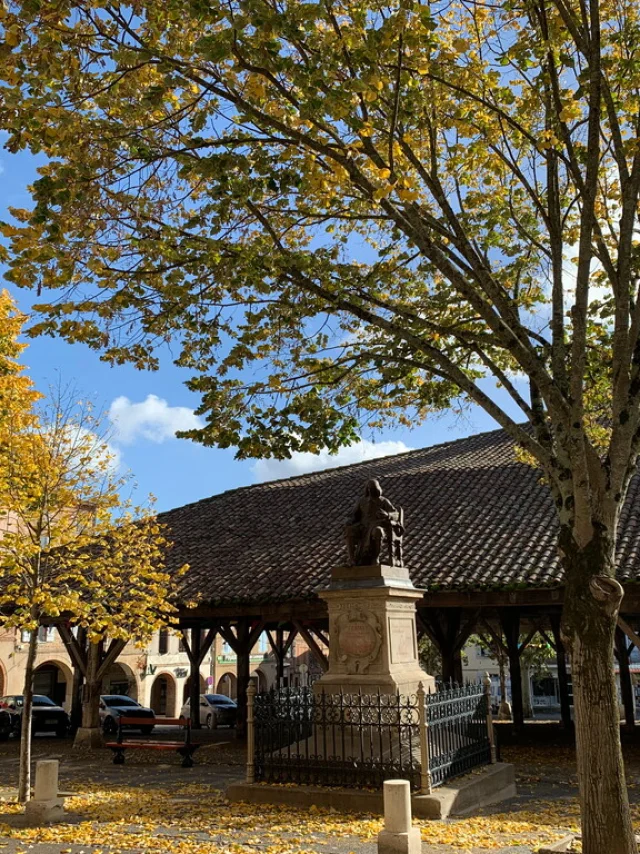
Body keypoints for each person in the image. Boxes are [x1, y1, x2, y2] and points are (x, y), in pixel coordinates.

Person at [345, 479, 404, 566]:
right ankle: (352, 559)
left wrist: (387, 515)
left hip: (377, 525)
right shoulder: (361, 501)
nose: (370, 491)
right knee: (349, 530)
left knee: (378, 531)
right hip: (363, 527)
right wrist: (350, 520)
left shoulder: (383, 501)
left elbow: (395, 514)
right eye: (369, 489)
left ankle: (375, 558)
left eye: (373, 489)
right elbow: (354, 515)